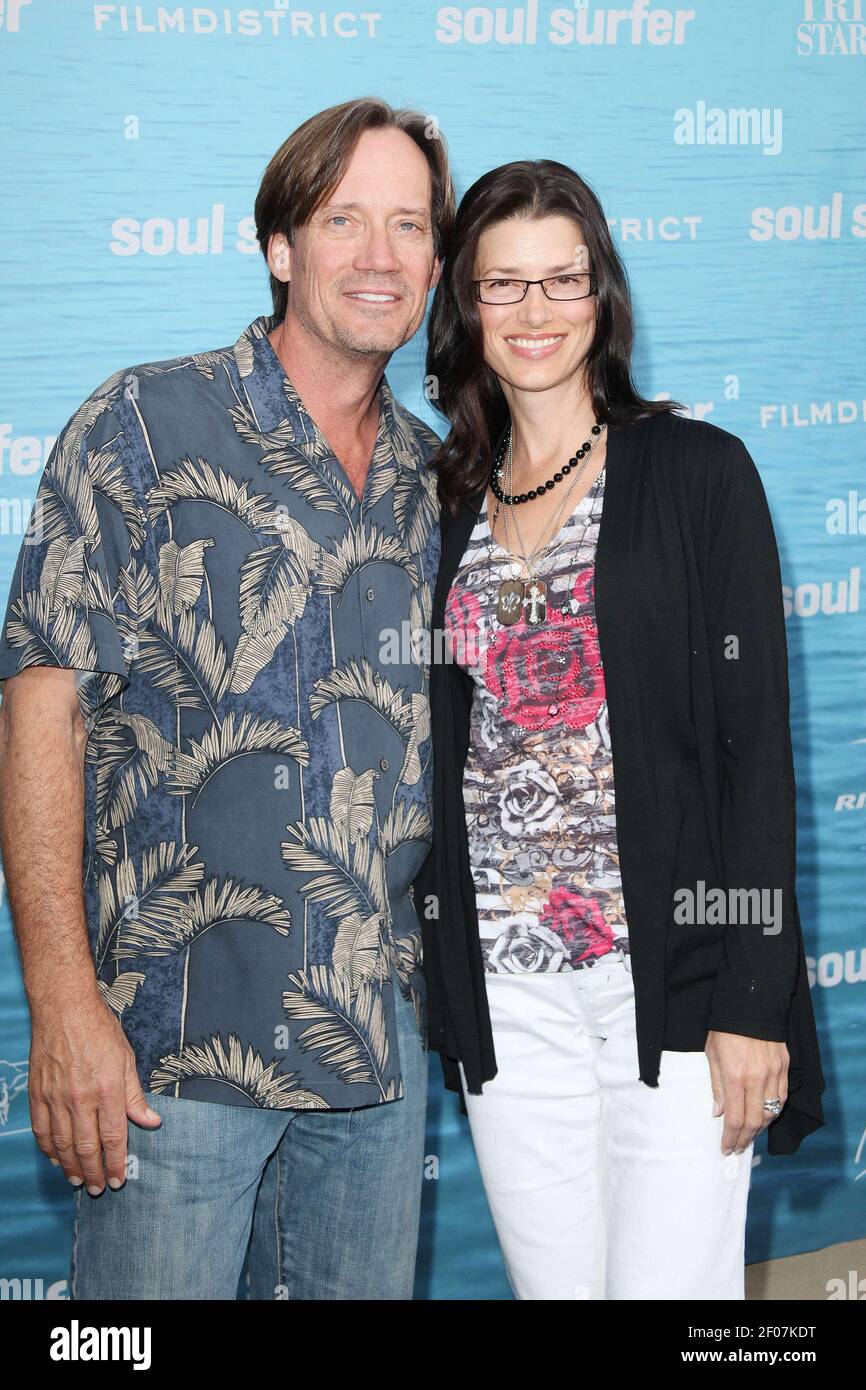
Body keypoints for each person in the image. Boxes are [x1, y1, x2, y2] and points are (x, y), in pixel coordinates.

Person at [0, 97, 453, 1300]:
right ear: (279, 246)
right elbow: (41, 708)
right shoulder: (144, 425)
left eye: (407, 225)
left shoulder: (429, 478)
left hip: (372, 1058)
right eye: (343, 218)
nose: (377, 254)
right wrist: (62, 1005)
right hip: (170, 1061)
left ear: (435, 265)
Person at [412, 159, 825, 1301]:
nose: (535, 313)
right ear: (465, 305)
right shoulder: (444, 505)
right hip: (505, 990)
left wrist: (752, 1003)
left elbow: (755, 759)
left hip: (677, 980)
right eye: (504, 285)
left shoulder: (698, 474)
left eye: (562, 280)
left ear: (602, 297)